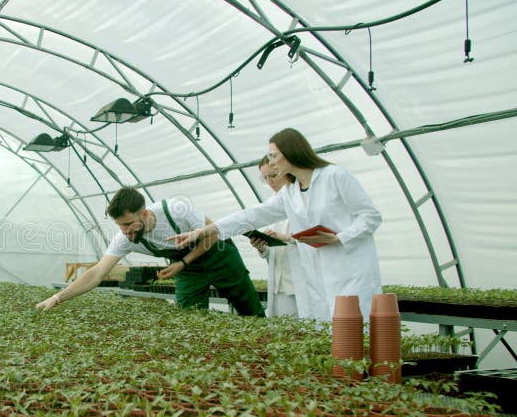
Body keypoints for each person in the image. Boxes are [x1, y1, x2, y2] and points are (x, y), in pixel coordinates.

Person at [168, 128, 382, 322]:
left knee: (355, 330)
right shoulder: (290, 192)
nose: (272, 162)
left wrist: (339, 238)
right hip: (316, 275)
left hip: (349, 269)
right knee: (327, 332)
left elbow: (370, 216)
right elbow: (251, 215)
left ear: (292, 152)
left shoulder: (334, 176)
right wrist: (203, 231)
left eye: (274, 155)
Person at [36, 187, 265, 316]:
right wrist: (57, 298)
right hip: (189, 270)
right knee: (189, 320)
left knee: (250, 311)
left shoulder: (175, 210)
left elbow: (213, 234)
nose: (124, 231)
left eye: (128, 224)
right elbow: (97, 273)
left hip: (219, 256)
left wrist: (183, 262)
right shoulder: (126, 238)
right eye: (119, 226)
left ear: (144, 214)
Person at [251, 155, 299, 317]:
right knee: (284, 333)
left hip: (299, 281)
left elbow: (314, 240)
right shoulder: (272, 204)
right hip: (279, 284)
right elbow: (274, 252)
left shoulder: (301, 199)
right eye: (265, 178)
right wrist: (263, 248)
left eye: (272, 175)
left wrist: (283, 237)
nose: (270, 182)